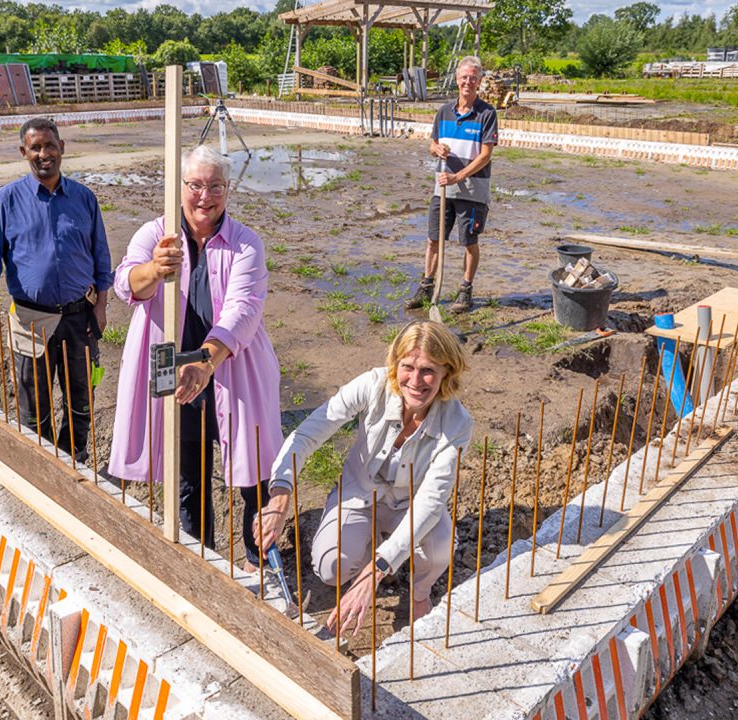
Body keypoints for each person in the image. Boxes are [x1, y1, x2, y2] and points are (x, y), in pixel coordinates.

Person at [107, 144, 282, 568]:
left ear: (228, 190)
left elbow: (243, 309)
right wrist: (154, 268)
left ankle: (259, 559)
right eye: (196, 185)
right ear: (180, 187)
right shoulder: (155, 234)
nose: (205, 196)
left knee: (253, 468)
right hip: (171, 364)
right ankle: (198, 561)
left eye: (216, 186)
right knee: (188, 471)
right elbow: (126, 285)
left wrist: (206, 361)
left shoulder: (245, 244)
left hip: (231, 365)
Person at [260, 322, 472, 637]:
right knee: (331, 567)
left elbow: (430, 501)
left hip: (410, 506)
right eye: (407, 367)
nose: (415, 381)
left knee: (440, 548)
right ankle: (372, 548)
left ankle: (419, 592)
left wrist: (376, 571)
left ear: (447, 372)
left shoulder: (457, 423)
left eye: (427, 370)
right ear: (395, 364)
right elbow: (309, 433)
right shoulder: (373, 385)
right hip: (359, 495)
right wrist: (280, 495)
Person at [0, 117, 112, 463]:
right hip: (31, 320)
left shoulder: (84, 198)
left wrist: (101, 307)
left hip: (80, 317)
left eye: (50, 145)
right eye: (35, 147)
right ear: (24, 152)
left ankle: (73, 457)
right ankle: (41, 462)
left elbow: (101, 256)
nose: (43, 153)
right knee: (34, 402)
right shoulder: (7, 200)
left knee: (82, 397)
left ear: (62, 148)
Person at [405, 56, 499, 315]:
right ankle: (426, 287)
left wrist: (459, 177)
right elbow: (431, 145)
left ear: (478, 82)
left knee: (468, 241)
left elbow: (485, 155)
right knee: (433, 239)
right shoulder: (444, 112)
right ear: (457, 80)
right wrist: (437, 149)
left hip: (472, 190)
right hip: (442, 188)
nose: (468, 82)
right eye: (464, 77)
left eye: (473, 78)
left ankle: (465, 290)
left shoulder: (487, 114)